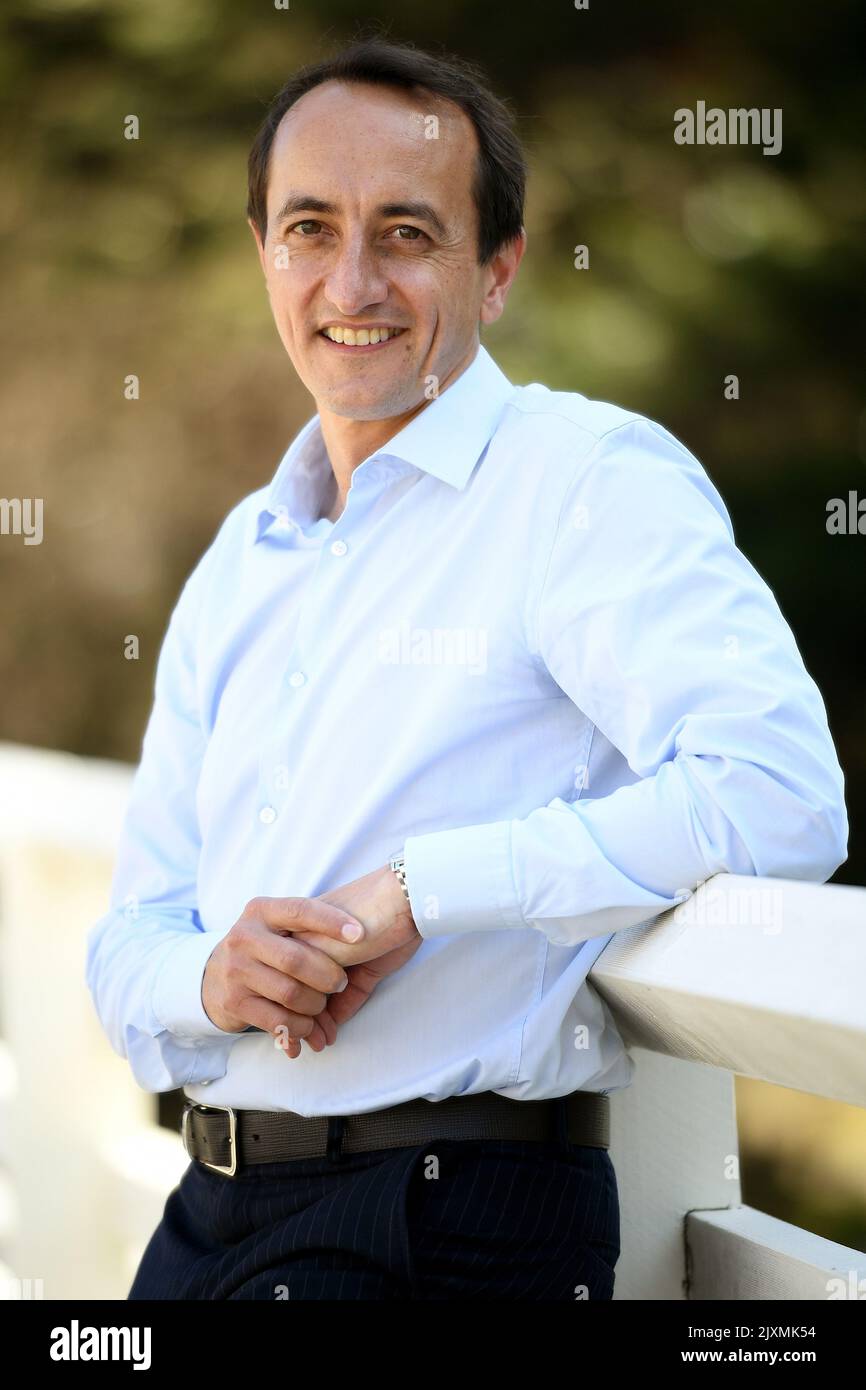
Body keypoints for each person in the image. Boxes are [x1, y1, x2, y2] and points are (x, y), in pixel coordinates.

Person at [85, 37, 848, 1301]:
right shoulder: (243, 554)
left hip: (440, 1225)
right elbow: (129, 945)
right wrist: (209, 973)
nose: (351, 279)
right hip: (204, 1216)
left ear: (494, 272)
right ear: (264, 255)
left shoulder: (582, 481)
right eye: (309, 227)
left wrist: (423, 889)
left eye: (405, 234)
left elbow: (778, 792)